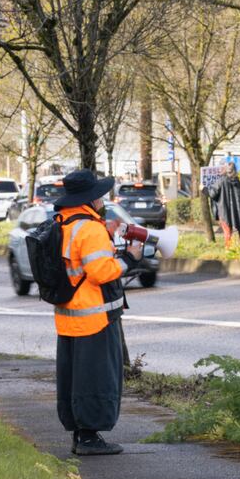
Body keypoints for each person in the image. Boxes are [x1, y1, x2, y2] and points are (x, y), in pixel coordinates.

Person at [53, 169, 147, 457]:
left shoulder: (63, 222)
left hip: (69, 317)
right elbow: (100, 272)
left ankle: (80, 434)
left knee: (75, 380)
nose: (103, 199)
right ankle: (90, 439)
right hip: (95, 318)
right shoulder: (89, 229)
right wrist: (130, 259)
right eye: (100, 195)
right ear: (91, 198)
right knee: (97, 378)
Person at [208, 162, 240, 247]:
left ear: (225, 169)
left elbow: (212, 194)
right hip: (238, 211)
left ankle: (229, 251)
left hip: (224, 211)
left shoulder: (221, 180)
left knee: (227, 233)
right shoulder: (238, 182)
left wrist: (203, 189)